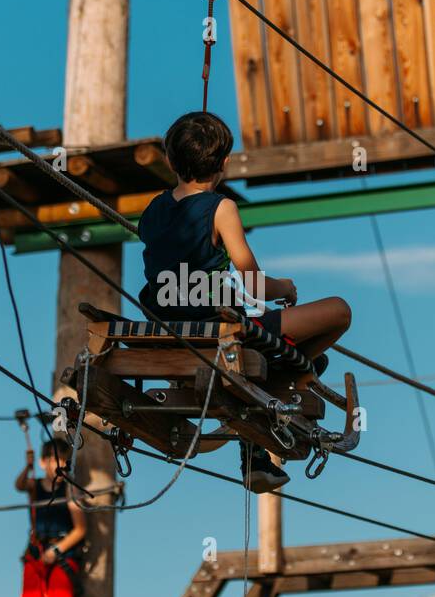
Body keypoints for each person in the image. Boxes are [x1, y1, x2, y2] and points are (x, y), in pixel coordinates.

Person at [137, 110, 352, 493]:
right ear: (223, 163)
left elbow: (175, 263)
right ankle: (286, 370)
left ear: (170, 161)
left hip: (173, 323)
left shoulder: (152, 210)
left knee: (257, 324)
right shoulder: (222, 208)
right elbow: (252, 281)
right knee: (339, 311)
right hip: (220, 328)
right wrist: (284, 287)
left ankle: (279, 376)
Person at [14, 437, 87, 597]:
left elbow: (80, 529)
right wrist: (27, 466)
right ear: (44, 462)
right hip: (36, 553)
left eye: (63, 462)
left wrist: (57, 550)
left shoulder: (70, 490)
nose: (59, 466)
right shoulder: (35, 487)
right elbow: (19, 485)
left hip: (62, 553)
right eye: (54, 461)